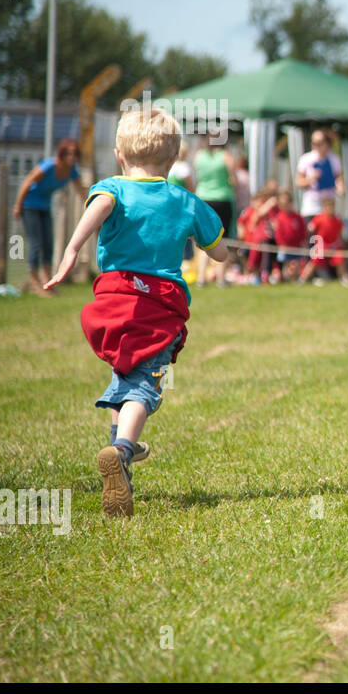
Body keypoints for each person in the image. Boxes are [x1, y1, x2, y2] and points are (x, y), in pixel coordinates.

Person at [44, 105, 228, 518]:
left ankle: (122, 450)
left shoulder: (113, 188)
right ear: (175, 157)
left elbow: (96, 212)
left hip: (112, 299)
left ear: (120, 155)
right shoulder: (185, 200)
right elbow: (218, 252)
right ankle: (123, 449)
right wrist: (220, 245)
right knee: (145, 385)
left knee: (125, 372)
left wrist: (71, 252)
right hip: (156, 305)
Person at [13, 138, 85, 295]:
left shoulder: (72, 170)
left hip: (45, 206)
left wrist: (93, 205)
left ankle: (47, 281)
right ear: (62, 154)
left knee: (48, 244)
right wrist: (18, 206)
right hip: (29, 206)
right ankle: (34, 282)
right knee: (36, 243)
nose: (72, 157)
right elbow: (27, 183)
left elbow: (82, 191)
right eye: (69, 153)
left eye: (75, 154)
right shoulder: (49, 165)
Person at [191, 133, 237, 287]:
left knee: (203, 238)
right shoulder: (226, 156)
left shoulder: (199, 156)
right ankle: (221, 278)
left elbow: (197, 177)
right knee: (223, 238)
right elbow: (234, 179)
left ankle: (202, 277)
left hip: (203, 198)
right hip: (223, 198)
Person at [300, 195, 348, 286]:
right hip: (321, 246)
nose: (330, 209)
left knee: (339, 259)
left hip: (334, 246)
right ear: (323, 208)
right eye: (328, 207)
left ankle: (343, 277)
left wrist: (341, 243)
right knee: (314, 261)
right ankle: (303, 278)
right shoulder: (319, 218)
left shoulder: (337, 220)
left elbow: (340, 234)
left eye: (332, 207)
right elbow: (310, 230)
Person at [296, 129, 344, 220]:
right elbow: (298, 182)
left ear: (327, 143)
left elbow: (339, 178)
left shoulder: (334, 159)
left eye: (319, 142)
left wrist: (340, 186)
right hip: (312, 205)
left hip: (329, 203)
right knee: (314, 234)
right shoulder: (306, 159)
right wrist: (311, 178)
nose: (315, 145)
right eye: (314, 142)